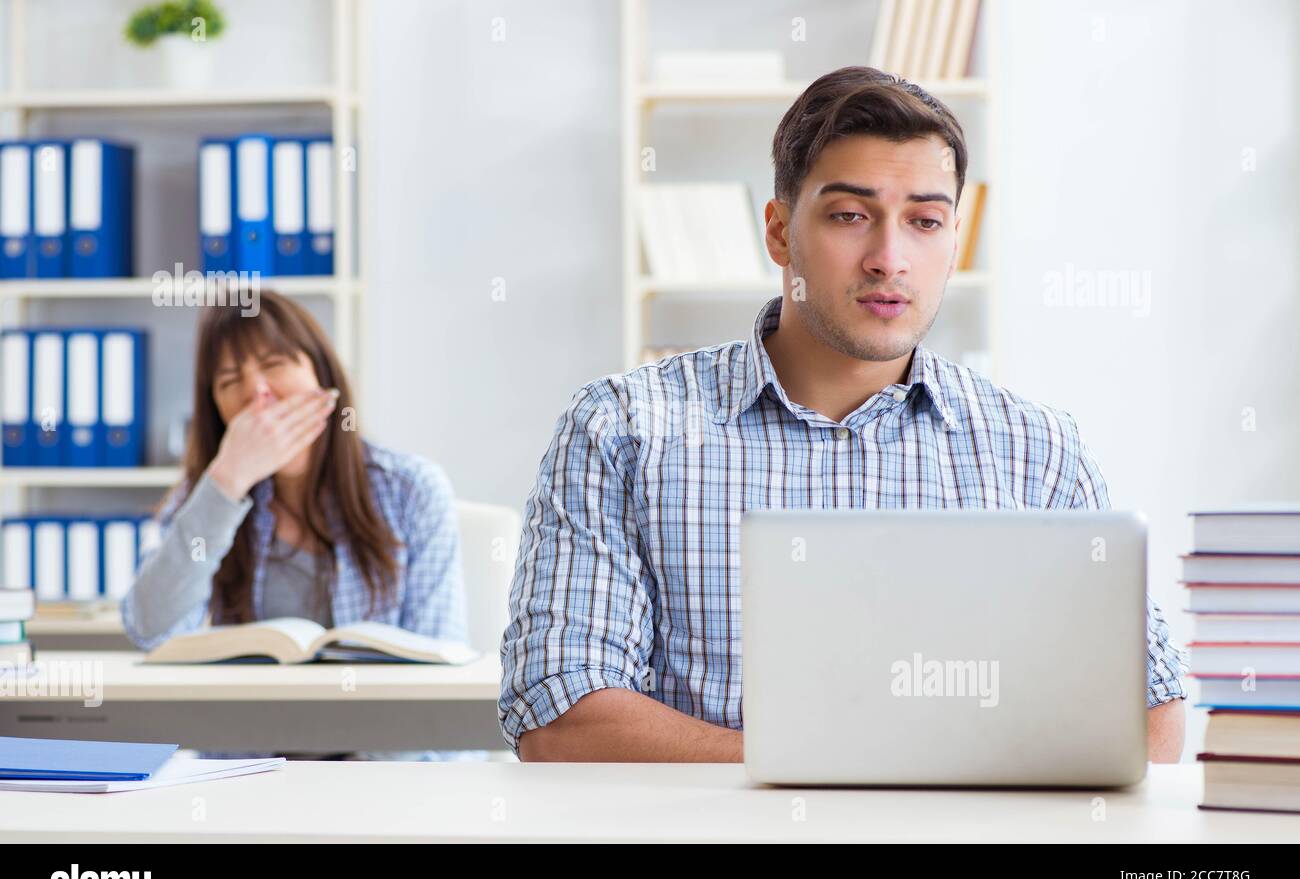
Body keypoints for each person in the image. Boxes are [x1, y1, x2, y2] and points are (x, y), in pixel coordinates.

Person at [501, 66, 1188, 764]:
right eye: (850, 216)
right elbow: (561, 715)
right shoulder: (622, 430)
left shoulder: (1036, 450)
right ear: (778, 233)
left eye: (925, 221)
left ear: (955, 237)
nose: (890, 259)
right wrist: (856, 769)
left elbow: (1150, 712)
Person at [124, 289, 466, 662]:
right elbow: (150, 630)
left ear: (322, 374)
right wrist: (226, 482)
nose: (258, 394)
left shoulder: (411, 489)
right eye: (229, 381)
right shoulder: (205, 496)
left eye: (274, 364)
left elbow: (440, 661)